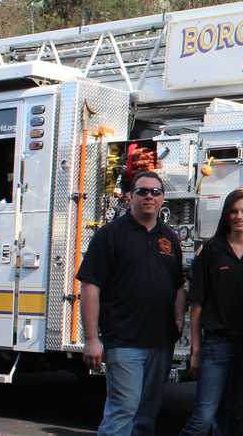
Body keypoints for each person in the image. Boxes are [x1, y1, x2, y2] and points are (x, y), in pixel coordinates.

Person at [77, 170, 185, 436]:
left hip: (160, 342)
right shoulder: (109, 235)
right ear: (129, 197)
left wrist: (179, 320)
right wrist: (92, 339)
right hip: (124, 341)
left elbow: (179, 285)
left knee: (146, 415)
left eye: (155, 192)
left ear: (162, 200)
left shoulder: (169, 238)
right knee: (123, 410)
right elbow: (90, 287)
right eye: (142, 191)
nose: (149, 196)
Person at [179, 187, 243, 436]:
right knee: (204, 416)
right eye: (233, 211)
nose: (239, 216)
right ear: (226, 215)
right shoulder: (211, 250)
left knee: (238, 414)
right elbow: (197, 305)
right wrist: (195, 352)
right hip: (216, 344)